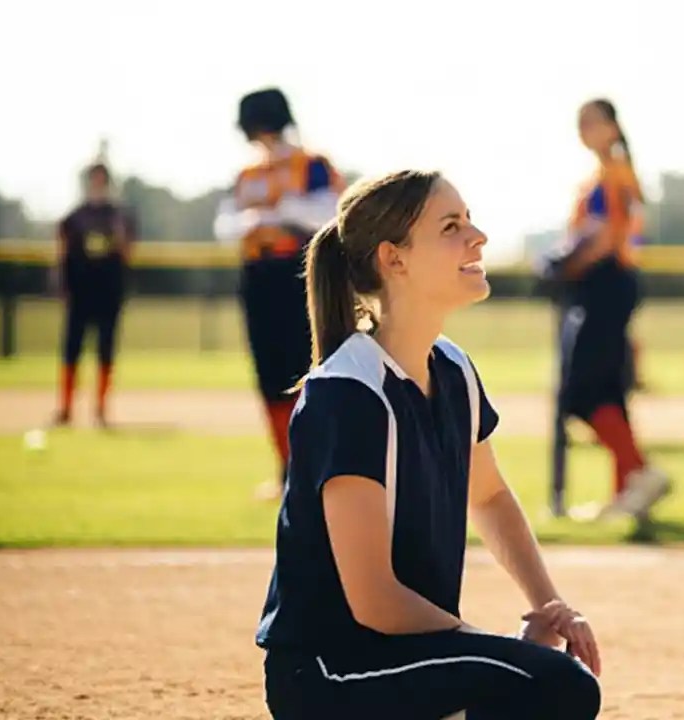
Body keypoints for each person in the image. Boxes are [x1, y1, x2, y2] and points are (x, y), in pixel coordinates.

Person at [255, 170, 602, 720]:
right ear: (395, 259)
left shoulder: (454, 369)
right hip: (330, 673)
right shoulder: (348, 393)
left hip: (405, 653)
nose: (478, 236)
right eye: (451, 226)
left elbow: (488, 498)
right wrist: (497, 646)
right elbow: (374, 601)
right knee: (555, 686)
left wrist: (549, 607)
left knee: (547, 677)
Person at [542, 98, 670, 521]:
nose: (586, 131)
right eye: (582, 124)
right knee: (610, 389)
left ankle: (641, 471)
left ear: (613, 127)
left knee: (579, 392)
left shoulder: (611, 176)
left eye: (594, 123)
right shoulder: (611, 173)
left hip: (605, 283)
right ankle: (627, 491)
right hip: (611, 284)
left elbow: (603, 237)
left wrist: (566, 266)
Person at [214, 87, 345, 499]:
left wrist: (284, 212)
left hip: (299, 273)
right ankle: (287, 469)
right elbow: (225, 226)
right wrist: (260, 218)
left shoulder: (313, 164)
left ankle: (316, 466)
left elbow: (331, 211)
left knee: (305, 371)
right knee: (268, 376)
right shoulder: (247, 174)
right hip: (257, 274)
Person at [52, 161, 137, 428]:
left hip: (108, 292)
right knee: (71, 351)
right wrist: (62, 285)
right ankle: (65, 408)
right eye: (94, 179)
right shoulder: (74, 217)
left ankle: (100, 409)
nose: (98, 184)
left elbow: (128, 252)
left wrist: (120, 234)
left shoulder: (119, 216)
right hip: (80, 292)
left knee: (105, 351)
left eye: (102, 180)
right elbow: (62, 251)